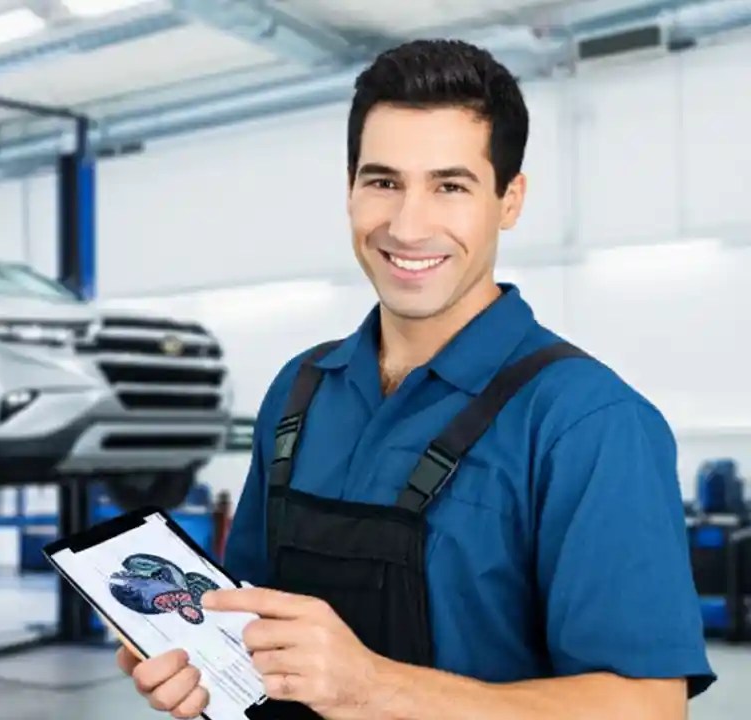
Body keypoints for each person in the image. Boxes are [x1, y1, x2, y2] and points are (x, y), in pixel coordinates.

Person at [115, 38, 715, 719]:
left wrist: (373, 686)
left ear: (509, 199)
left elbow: (647, 707)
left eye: (450, 186)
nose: (407, 224)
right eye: (383, 181)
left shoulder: (587, 422)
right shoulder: (300, 390)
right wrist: (197, 659)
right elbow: (249, 611)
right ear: (350, 190)